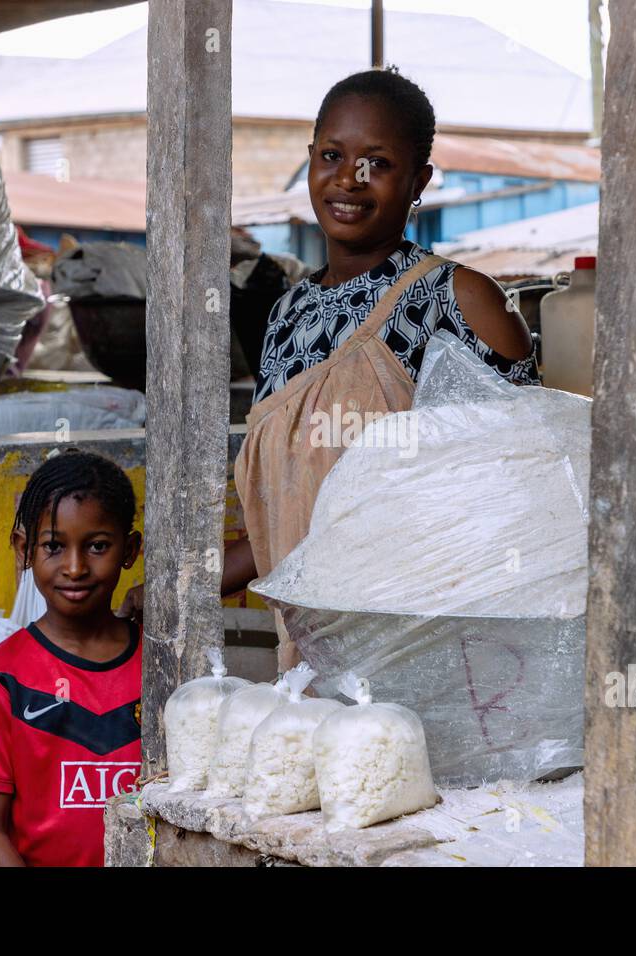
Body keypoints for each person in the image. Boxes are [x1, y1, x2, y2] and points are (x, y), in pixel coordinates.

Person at [225, 67, 539, 669]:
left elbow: (529, 493)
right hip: (314, 660)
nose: (349, 178)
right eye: (332, 154)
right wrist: (182, 584)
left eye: (378, 162)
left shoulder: (460, 301)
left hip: (438, 658)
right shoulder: (288, 315)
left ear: (419, 181)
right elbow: (290, 523)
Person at [0, 450, 143, 866]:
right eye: (54, 546)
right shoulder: (2, 677)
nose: (75, 567)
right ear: (24, 548)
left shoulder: (160, 666)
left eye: (98, 545)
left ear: (130, 550)